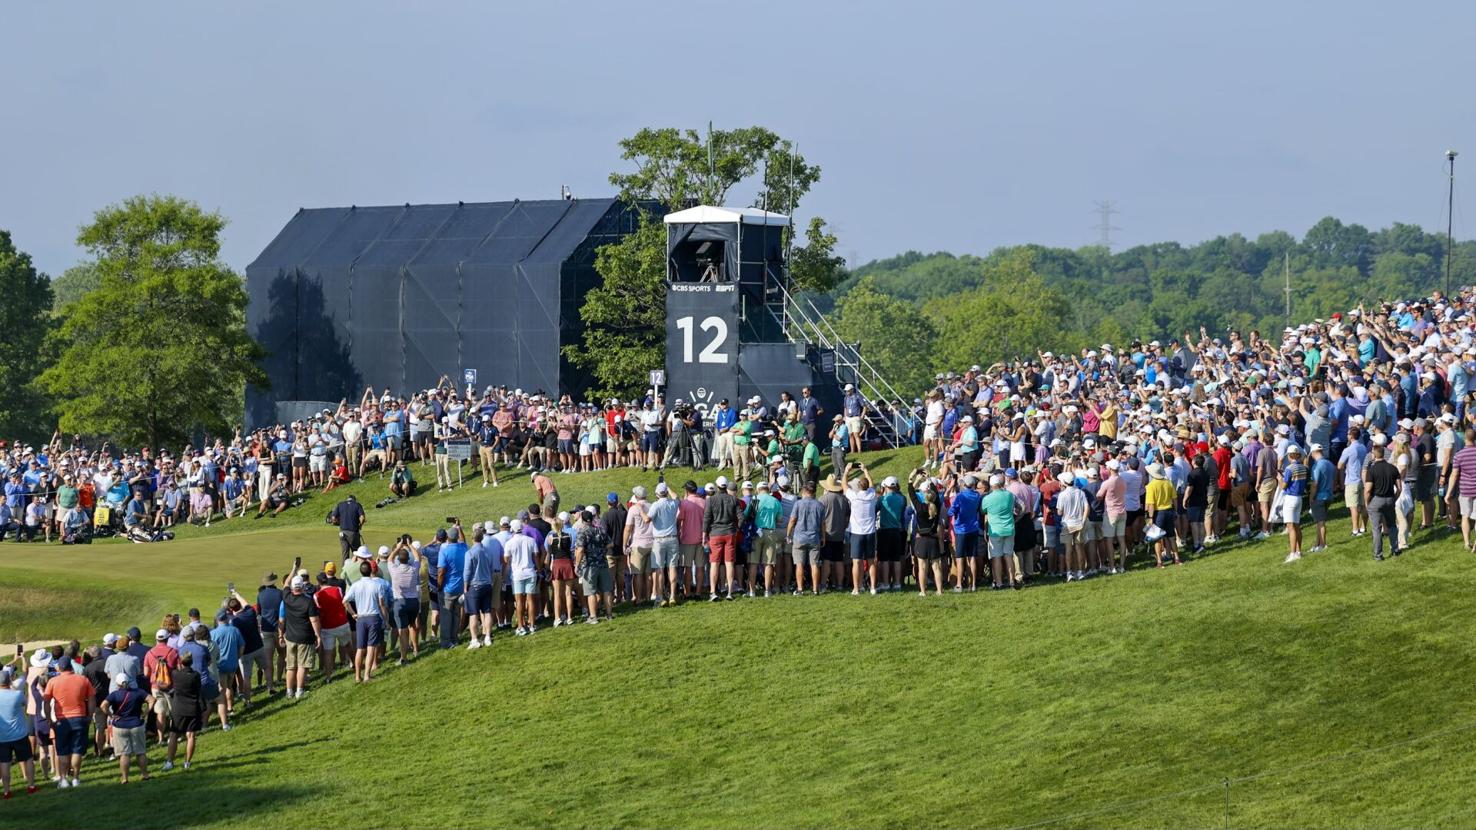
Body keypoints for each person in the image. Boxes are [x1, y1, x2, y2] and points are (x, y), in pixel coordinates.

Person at [42, 657, 92, 788]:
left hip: (61, 720)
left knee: (62, 751)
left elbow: (46, 702)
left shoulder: (53, 681)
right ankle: (75, 778)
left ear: (59, 668)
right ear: (70, 666)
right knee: (77, 750)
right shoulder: (82, 679)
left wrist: (49, 719)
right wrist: (90, 715)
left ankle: (63, 779)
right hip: (79, 718)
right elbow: (92, 699)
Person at [344, 562, 392, 679]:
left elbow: (344, 601)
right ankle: (366, 675)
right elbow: (381, 605)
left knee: (360, 649)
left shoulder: (355, 585)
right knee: (371, 648)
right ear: (371, 570)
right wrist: (385, 620)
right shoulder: (377, 585)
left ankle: (357, 676)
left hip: (361, 618)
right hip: (374, 617)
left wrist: (353, 614)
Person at [100, 673, 150, 783]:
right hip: (137, 724)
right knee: (140, 752)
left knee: (124, 754)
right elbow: (152, 700)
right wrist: (145, 713)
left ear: (117, 684)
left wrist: (111, 715)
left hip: (120, 726)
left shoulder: (114, 695)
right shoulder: (138, 692)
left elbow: (103, 706)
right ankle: (145, 775)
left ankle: (125, 778)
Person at [280, 576, 322, 699]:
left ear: (293, 587)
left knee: (291, 666)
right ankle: (299, 690)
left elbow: (286, 583)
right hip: (305, 637)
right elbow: (314, 620)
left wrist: (294, 569)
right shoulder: (308, 601)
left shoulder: (287, 597)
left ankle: (289, 692)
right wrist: (318, 635)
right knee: (302, 665)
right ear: (303, 587)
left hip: (290, 637)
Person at [0, 668, 38, 799]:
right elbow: (26, 705)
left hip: (2, 736)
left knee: (4, 763)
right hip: (19, 734)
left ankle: (6, 791)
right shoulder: (17, 694)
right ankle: (31, 786)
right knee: (27, 759)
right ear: (10, 680)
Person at [702, 477, 741, 601]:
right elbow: (741, 517)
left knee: (715, 564)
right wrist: (736, 529)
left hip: (715, 534)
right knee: (729, 563)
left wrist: (704, 534)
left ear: (717, 486)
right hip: (730, 533)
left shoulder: (711, 500)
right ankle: (729, 592)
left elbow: (707, 518)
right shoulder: (734, 499)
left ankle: (713, 592)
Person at [463, 527, 501, 648]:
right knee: (487, 611)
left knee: (473, 614)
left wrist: (465, 586)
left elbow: (467, 572)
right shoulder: (487, 553)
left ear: (472, 538)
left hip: (474, 586)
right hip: (487, 584)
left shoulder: (469, 553)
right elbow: (490, 568)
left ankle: (474, 639)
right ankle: (488, 636)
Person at [574, 509, 616, 622]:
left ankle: (593, 617)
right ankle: (609, 615)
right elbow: (610, 543)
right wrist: (601, 549)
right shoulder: (600, 530)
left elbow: (580, 549)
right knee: (607, 590)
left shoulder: (582, 532)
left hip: (589, 565)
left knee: (590, 592)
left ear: (582, 520)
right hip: (603, 563)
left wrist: (577, 564)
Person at [164, 651, 202, 771]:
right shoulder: (195, 675)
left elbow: (170, 670)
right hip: (192, 708)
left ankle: (170, 762)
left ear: (181, 662)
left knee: (174, 735)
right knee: (191, 736)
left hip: (178, 709)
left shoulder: (176, 674)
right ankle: (187, 762)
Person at [1364, 443, 1403, 561]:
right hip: (1390, 498)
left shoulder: (1372, 470)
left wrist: (1367, 504)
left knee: (1376, 528)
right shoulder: (1393, 468)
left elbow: (1368, 490)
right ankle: (1395, 549)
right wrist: (1394, 499)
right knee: (1392, 525)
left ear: (1373, 455)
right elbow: (1399, 488)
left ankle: (1378, 554)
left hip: (1377, 499)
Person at [844, 463, 879, 594]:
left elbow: (844, 485)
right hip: (870, 532)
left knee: (856, 561)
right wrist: (865, 470)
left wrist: (847, 471)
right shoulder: (871, 496)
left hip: (857, 533)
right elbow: (872, 484)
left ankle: (856, 588)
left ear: (859, 486)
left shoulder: (854, 496)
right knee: (871, 561)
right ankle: (873, 587)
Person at [982, 473, 1021, 589]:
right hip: (1009, 528)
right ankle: (1012, 581)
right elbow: (1019, 507)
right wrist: (1015, 518)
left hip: (995, 530)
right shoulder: (1009, 495)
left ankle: (999, 582)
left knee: (996, 557)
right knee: (1008, 555)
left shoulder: (987, 498)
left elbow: (983, 511)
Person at [647, 482, 681, 606]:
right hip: (672, 539)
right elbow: (676, 497)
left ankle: (660, 597)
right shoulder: (673, 503)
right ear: (666, 493)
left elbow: (647, 519)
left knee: (659, 569)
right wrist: (668, 487)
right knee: (672, 568)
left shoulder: (655, 505)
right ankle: (672, 595)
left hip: (659, 540)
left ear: (657, 494)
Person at [504, 519, 539, 635]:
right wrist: (538, 568)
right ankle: (532, 625)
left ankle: (521, 626)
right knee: (530, 599)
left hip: (517, 574)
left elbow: (506, 559)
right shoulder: (530, 540)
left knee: (519, 601)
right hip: (530, 571)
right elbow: (536, 555)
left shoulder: (509, 542)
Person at [436, 525, 468, 649]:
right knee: (456, 614)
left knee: (446, 616)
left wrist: (439, 586)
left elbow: (441, 571)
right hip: (460, 586)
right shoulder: (463, 547)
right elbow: (463, 540)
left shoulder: (444, 550)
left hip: (448, 588)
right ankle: (454, 638)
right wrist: (459, 528)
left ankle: (445, 642)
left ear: (447, 538)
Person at [950, 474, 983, 591]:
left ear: (964, 484)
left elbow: (951, 511)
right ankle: (973, 584)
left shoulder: (960, 496)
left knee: (960, 558)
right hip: (973, 529)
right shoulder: (977, 495)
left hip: (961, 530)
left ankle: (959, 584)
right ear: (973, 485)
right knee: (972, 557)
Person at [1144, 463, 1180, 567]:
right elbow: (1174, 498)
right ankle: (1177, 558)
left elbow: (1151, 504)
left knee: (1157, 539)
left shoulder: (1151, 486)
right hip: (1169, 511)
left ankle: (1160, 562)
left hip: (1158, 513)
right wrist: (1176, 511)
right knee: (1172, 537)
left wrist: (1150, 517)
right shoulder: (1168, 483)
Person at [1280, 445, 1309, 563]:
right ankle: (1298, 551)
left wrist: (1279, 479)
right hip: (1299, 498)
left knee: (1291, 527)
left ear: (1289, 455)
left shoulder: (1289, 469)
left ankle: (1292, 553)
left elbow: (1284, 486)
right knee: (1296, 526)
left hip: (1290, 498)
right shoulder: (1303, 467)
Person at [1308, 444, 1338, 553]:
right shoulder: (1329, 464)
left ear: (1313, 453)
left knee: (1320, 522)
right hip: (1329, 495)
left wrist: (1311, 497)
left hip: (1319, 497)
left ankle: (1323, 544)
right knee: (1319, 520)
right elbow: (1336, 475)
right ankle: (1317, 544)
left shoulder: (1317, 466)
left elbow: (1315, 484)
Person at [1452, 428, 1476, 552]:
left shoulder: (1459, 455)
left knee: (1465, 516)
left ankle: (1467, 542)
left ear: (1465, 438)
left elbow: (1455, 474)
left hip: (1466, 490)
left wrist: (1449, 493)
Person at [331, 494, 365, 558]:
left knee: (345, 554)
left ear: (348, 499)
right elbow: (362, 518)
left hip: (342, 533)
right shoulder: (357, 505)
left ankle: (345, 568)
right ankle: (357, 567)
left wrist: (339, 523)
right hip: (353, 533)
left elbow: (333, 518)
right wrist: (360, 526)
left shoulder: (340, 504)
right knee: (357, 554)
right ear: (354, 500)